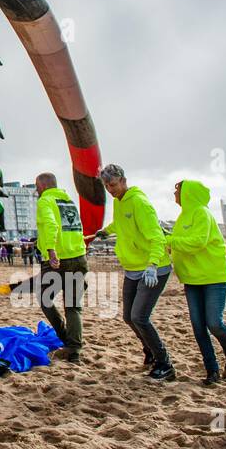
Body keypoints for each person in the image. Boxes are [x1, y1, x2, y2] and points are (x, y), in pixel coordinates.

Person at [97, 163, 175, 381]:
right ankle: (149, 350)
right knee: (128, 317)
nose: (110, 189)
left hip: (153, 268)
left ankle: (165, 363)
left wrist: (152, 265)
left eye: (112, 184)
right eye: (106, 186)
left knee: (139, 317)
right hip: (132, 267)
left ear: (123, 180)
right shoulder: (119, 202)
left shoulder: (140, 202)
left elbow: (156, 237)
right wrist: (106, 231)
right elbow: (121, 223)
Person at [169, 180, 226, 385]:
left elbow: (198, 242)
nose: (174, 193)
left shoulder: (202, 213)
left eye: (177, 190)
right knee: (198, 327)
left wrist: (170, 241)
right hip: (192, 279)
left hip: (213, 278)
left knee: (214, 323)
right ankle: (212, 369)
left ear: (188, 193)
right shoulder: (182, 217)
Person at [34, 172, 89, 362]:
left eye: (36, 186)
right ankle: (74, 350)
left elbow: (50, 224)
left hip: (58, 260)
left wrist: (50, 250)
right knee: (73, 306)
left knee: (44, 297)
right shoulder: (68, 200)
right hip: (79, 257)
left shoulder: (45, 201)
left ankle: (65, 336)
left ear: (41, 186)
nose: (36, 190)